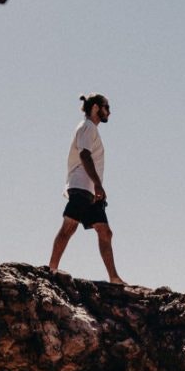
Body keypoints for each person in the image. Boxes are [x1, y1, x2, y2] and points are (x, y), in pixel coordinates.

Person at [49, 93, 126, 284]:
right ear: (96, 108)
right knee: (69, 227)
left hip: (90, 191)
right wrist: (98, 183)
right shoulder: (87, 127)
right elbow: (84, 155)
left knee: (105, 231)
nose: (109, 112)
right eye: (106, 107)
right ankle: (51, 270)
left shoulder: (91, 129)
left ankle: (114, 278)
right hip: (81, 186)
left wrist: (97, 186)